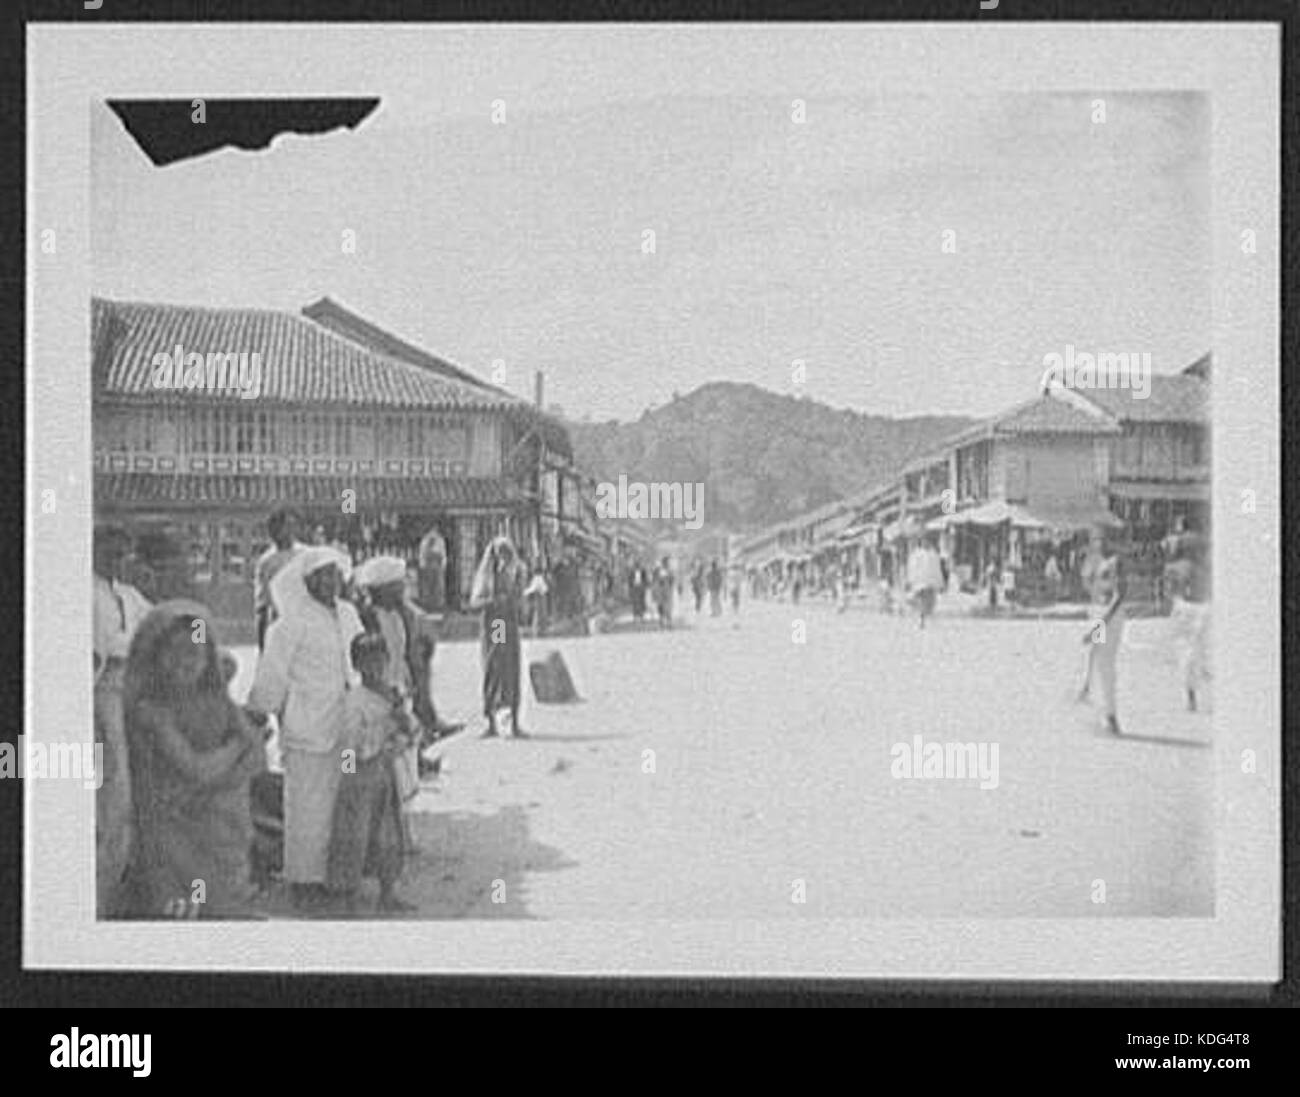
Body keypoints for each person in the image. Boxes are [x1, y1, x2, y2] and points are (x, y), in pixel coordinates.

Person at [120, 601, 265, 919]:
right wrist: (235, 748)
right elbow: (197, 769)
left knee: (225, 905)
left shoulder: (217, 701)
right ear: (154, 657)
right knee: (189, 909)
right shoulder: (151, 710)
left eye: (193, 654)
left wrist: (213, 784)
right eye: (171, 652)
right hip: (175, 836)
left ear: (208, 658)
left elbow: (257, 756)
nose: (181, 663)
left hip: (223, 829)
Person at [246, 546, 364, 913]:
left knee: (337, 805)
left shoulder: (348, 614)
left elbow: (360, 659)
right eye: (322, 576)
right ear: (307, 581)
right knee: (305, 807)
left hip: (344, 724)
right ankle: (302, 881)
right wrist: (260, 710)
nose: (330, 582)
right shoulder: (291, 622)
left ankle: (333, 877)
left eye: (334, 575)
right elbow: (273, 672)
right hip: (306, 724)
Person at [354, 555, 463, 835]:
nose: (403, 591)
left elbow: (410, 650)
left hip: (399, 690)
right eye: (397, 586)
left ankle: (402, 827)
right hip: (373, 695)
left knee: (403, 761)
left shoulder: (400, 614)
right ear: (381, 589)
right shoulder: (365, 618)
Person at [327, 632, 416, 914]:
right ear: (356, 665)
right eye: (367, 662)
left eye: (379, 661)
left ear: (387, 661)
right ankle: (348, 898)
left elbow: (412, 730)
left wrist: (402, 723)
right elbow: (350, 742)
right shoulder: (355, 700)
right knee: (354, 836)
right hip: (359, 772)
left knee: (388, 835)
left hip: (385, 772)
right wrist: (353, 775)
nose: (374, 668)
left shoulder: (393, 695)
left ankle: (387, 892)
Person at [93, 525, 153, 919]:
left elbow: (158, 621)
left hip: (130, 687)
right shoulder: (85, 591)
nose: (117, 561)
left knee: (133, 783)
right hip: (102, 688)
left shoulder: (127, 594)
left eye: (122, 555)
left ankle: (127, 881)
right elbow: (106, 645)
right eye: (110, 553)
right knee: (113, 787)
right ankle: (103, 891)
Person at [470, 536, 528, 739]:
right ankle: (492, 721)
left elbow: (520, 598)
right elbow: (476, 602)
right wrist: (494, 600)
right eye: (501, 552)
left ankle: (514, 721)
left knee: (511, 669)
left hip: (509, 623)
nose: (504, 557)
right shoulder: (487, 574)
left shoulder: (516, 571)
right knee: (495, 667)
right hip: (496, 623)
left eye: (507, 552)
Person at [1078, 548, 1127, 736]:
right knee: (1096, 662)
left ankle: (1110, 716)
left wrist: (1095, 631)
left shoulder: (1113, 567)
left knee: (1104, 666)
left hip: (1107, 617)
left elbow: (1114, 603)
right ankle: (1104, 715)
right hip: (1102, 615)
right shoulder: (1100, 564)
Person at [254, 508, 304, 651]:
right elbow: (262, 601)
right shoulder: (267, 561)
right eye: (285, 527)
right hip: (278, 618)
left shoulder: (304, 554)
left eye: (292, 526)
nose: (289, 531)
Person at [906, 537, 944, 629]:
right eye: (924, 541)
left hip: (930, 583)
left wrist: (940, 583)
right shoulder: (916, 554)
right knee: (920, 602)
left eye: (927, 541)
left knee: (928, 604)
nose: (925, 543)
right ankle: (921, 620)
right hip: (919, 582)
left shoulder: (934, 554)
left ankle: (922, 620)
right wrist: (910, 580)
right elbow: (911, 568)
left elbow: (937, 569)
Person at [416, 526, 449, 613]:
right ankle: (427, 606)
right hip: (428, 567)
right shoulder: (425, 540)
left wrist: (443, 566)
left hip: (437, 567)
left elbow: (443, 553)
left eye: (434, 530)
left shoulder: (440, 540)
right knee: (427, 587)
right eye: (431, 530)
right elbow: (422, 554)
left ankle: (438, 606)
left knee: (439, 587)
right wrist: (423, 566)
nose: (433, 532)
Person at [652, 557, 674, 629]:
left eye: (669, 562)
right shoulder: (658, 570)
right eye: (667, 562)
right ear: (663, 562)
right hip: (660, 591)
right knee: (661, 606)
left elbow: (672, 580)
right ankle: (662, 621)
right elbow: (655, 579)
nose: (668, 563)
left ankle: (669, 622)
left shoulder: (670, 570)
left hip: (667, 591)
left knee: (668, 607)